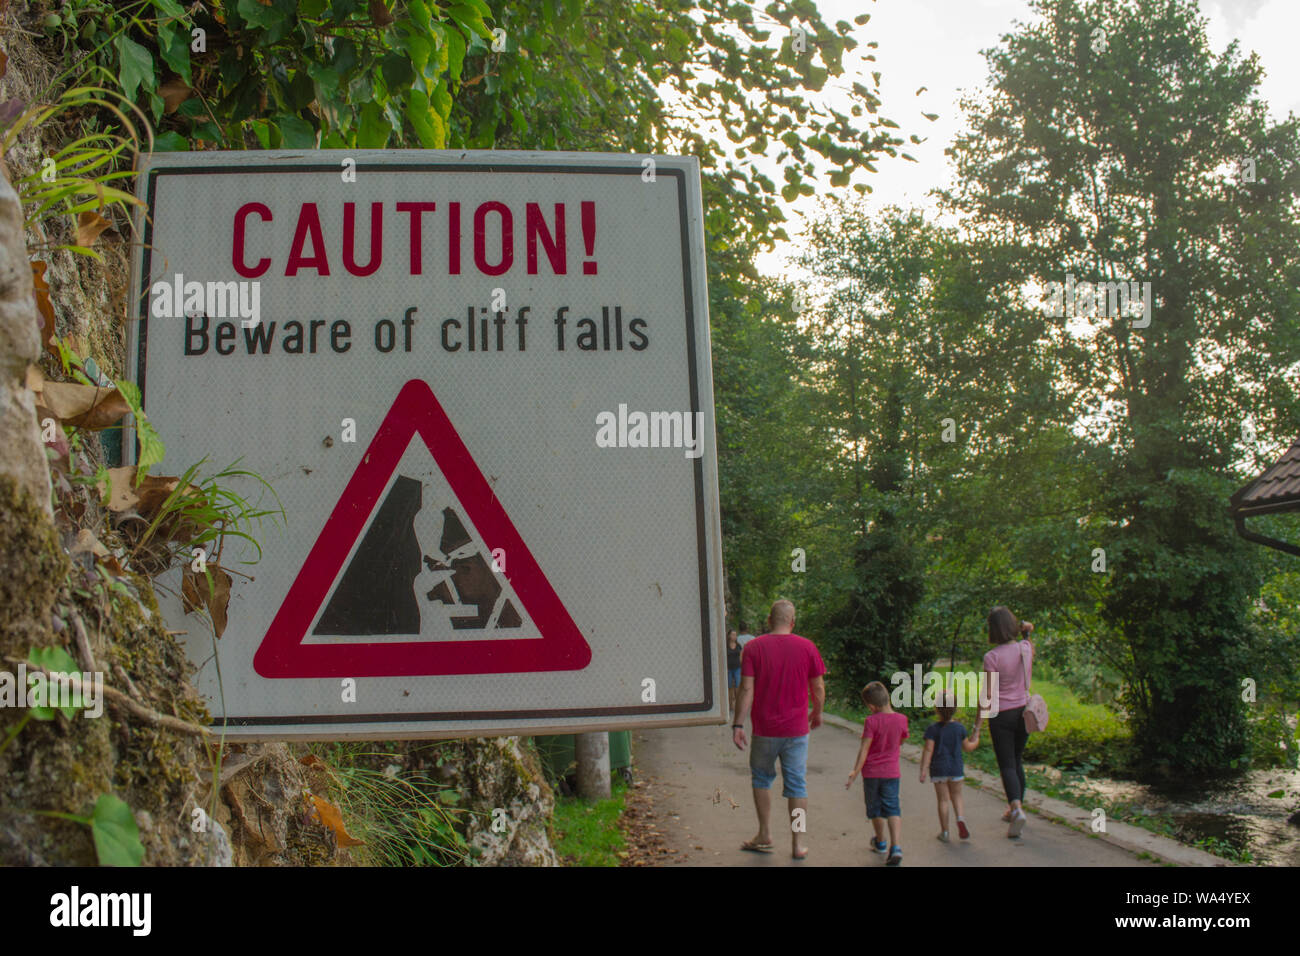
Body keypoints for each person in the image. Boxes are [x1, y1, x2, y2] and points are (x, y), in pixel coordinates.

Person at [732, 600, 826, 860]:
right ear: (792, 621)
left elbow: (746, 689)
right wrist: (816, 713)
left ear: (769, 620)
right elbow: (818, 688)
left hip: (764, 730)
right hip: (796, 731)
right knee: (797, 785)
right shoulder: (807, 647)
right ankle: (797, 844)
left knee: (761, 779)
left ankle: (764, 834)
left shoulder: (753, 648)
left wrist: (738, 724)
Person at [973, 605, 1035, 838]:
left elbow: (987, 694)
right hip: (1024, 713)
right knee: (1016, 761)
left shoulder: (992, 657)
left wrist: (977, 727)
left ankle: (1016, 809)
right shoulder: (1025, 648)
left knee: (1007, 765)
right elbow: (1027, 651)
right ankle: (1014, 808)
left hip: (1001, 716)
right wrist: (1026, 633)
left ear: (992, 629)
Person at [845, 681, 909, 865]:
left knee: (875, 809)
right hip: (892, 772)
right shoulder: (901, 719)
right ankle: (896, 847)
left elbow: (864, 749)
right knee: (893, 808)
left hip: (872, 773)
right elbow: (902, 740)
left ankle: (881, 842)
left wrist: (855, 771)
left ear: (871, 706)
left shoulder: (871, 721)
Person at [919, 691, 981, 842]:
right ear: (956, 709)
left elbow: (928, 750)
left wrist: (923, 769)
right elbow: (967, 747)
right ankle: (960, 818)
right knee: (957, 796)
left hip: (939, 769)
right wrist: (976, 739)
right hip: (955, 769)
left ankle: (945, 832)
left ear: (936, 709)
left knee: (943, 800)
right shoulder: (959, 728)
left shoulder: (932, 729)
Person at [726, 629, 742, 711]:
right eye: (732, 634)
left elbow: (741, 656)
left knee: (737, 685)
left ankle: (738, 704)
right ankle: (730, 705)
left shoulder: (738, 645)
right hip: (728, 668)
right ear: (729, 636)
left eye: (735, 635)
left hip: (737, 668)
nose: (734, 636)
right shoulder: (726, 646)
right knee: (729, 686)